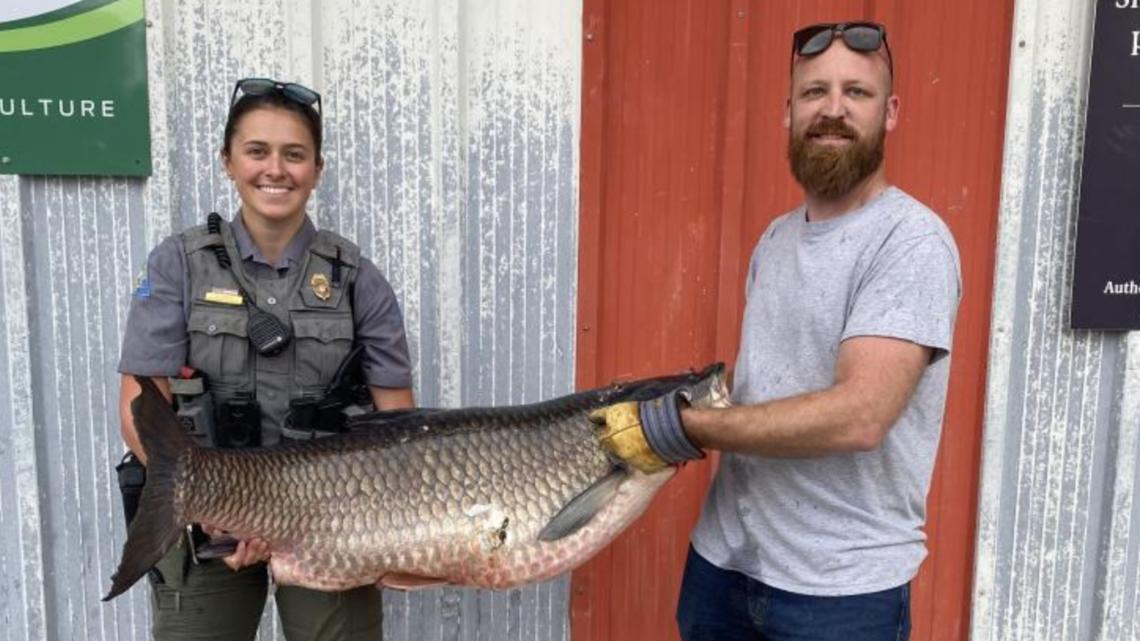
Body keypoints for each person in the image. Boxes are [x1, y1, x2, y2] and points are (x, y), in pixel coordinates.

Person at [590, 22, 961, 641]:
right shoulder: (776, 237)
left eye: (857, 93)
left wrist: (682, 427)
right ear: (788, 112)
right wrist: (673, 400)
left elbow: (859, 416)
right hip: (723, 566)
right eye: (814, 93)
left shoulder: (910, 242)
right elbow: (770, 381)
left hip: (836, 595)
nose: (833, 110)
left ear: (891, 112)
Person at [117, 77, 415, 641]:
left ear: (317, 169)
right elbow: (138, 406)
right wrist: (218, 507)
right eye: (257, 151)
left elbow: (398, 427)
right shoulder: (177, 265)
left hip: (333, 523)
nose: (275, 169)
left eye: (294, 154)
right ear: (228, 161)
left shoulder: (357, 279)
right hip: (204, 515)